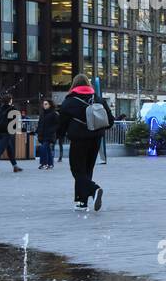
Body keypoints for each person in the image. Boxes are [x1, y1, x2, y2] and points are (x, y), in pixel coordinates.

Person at [58, 74, 112, 211]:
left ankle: (94, 189)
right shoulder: (98, 99)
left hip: (78, 140)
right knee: (87, 170)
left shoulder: (69, 101)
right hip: (95, 140)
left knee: (77, 170)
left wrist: (59, 135)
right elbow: (110, 121)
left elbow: (61, 124)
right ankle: (82, 202)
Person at [36, 97, 59, 169]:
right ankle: (50, 164)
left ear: (50, 105)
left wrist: (52, 130)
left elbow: (58, 124)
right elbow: (40, 124)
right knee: (48, 149)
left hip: (50, 135)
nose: (44, 105)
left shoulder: (54, 114)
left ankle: (44, 163)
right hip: (42, 135)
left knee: (43, 148)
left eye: (46, 104)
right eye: (43, 104)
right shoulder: (42, 114)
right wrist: (36, 132)